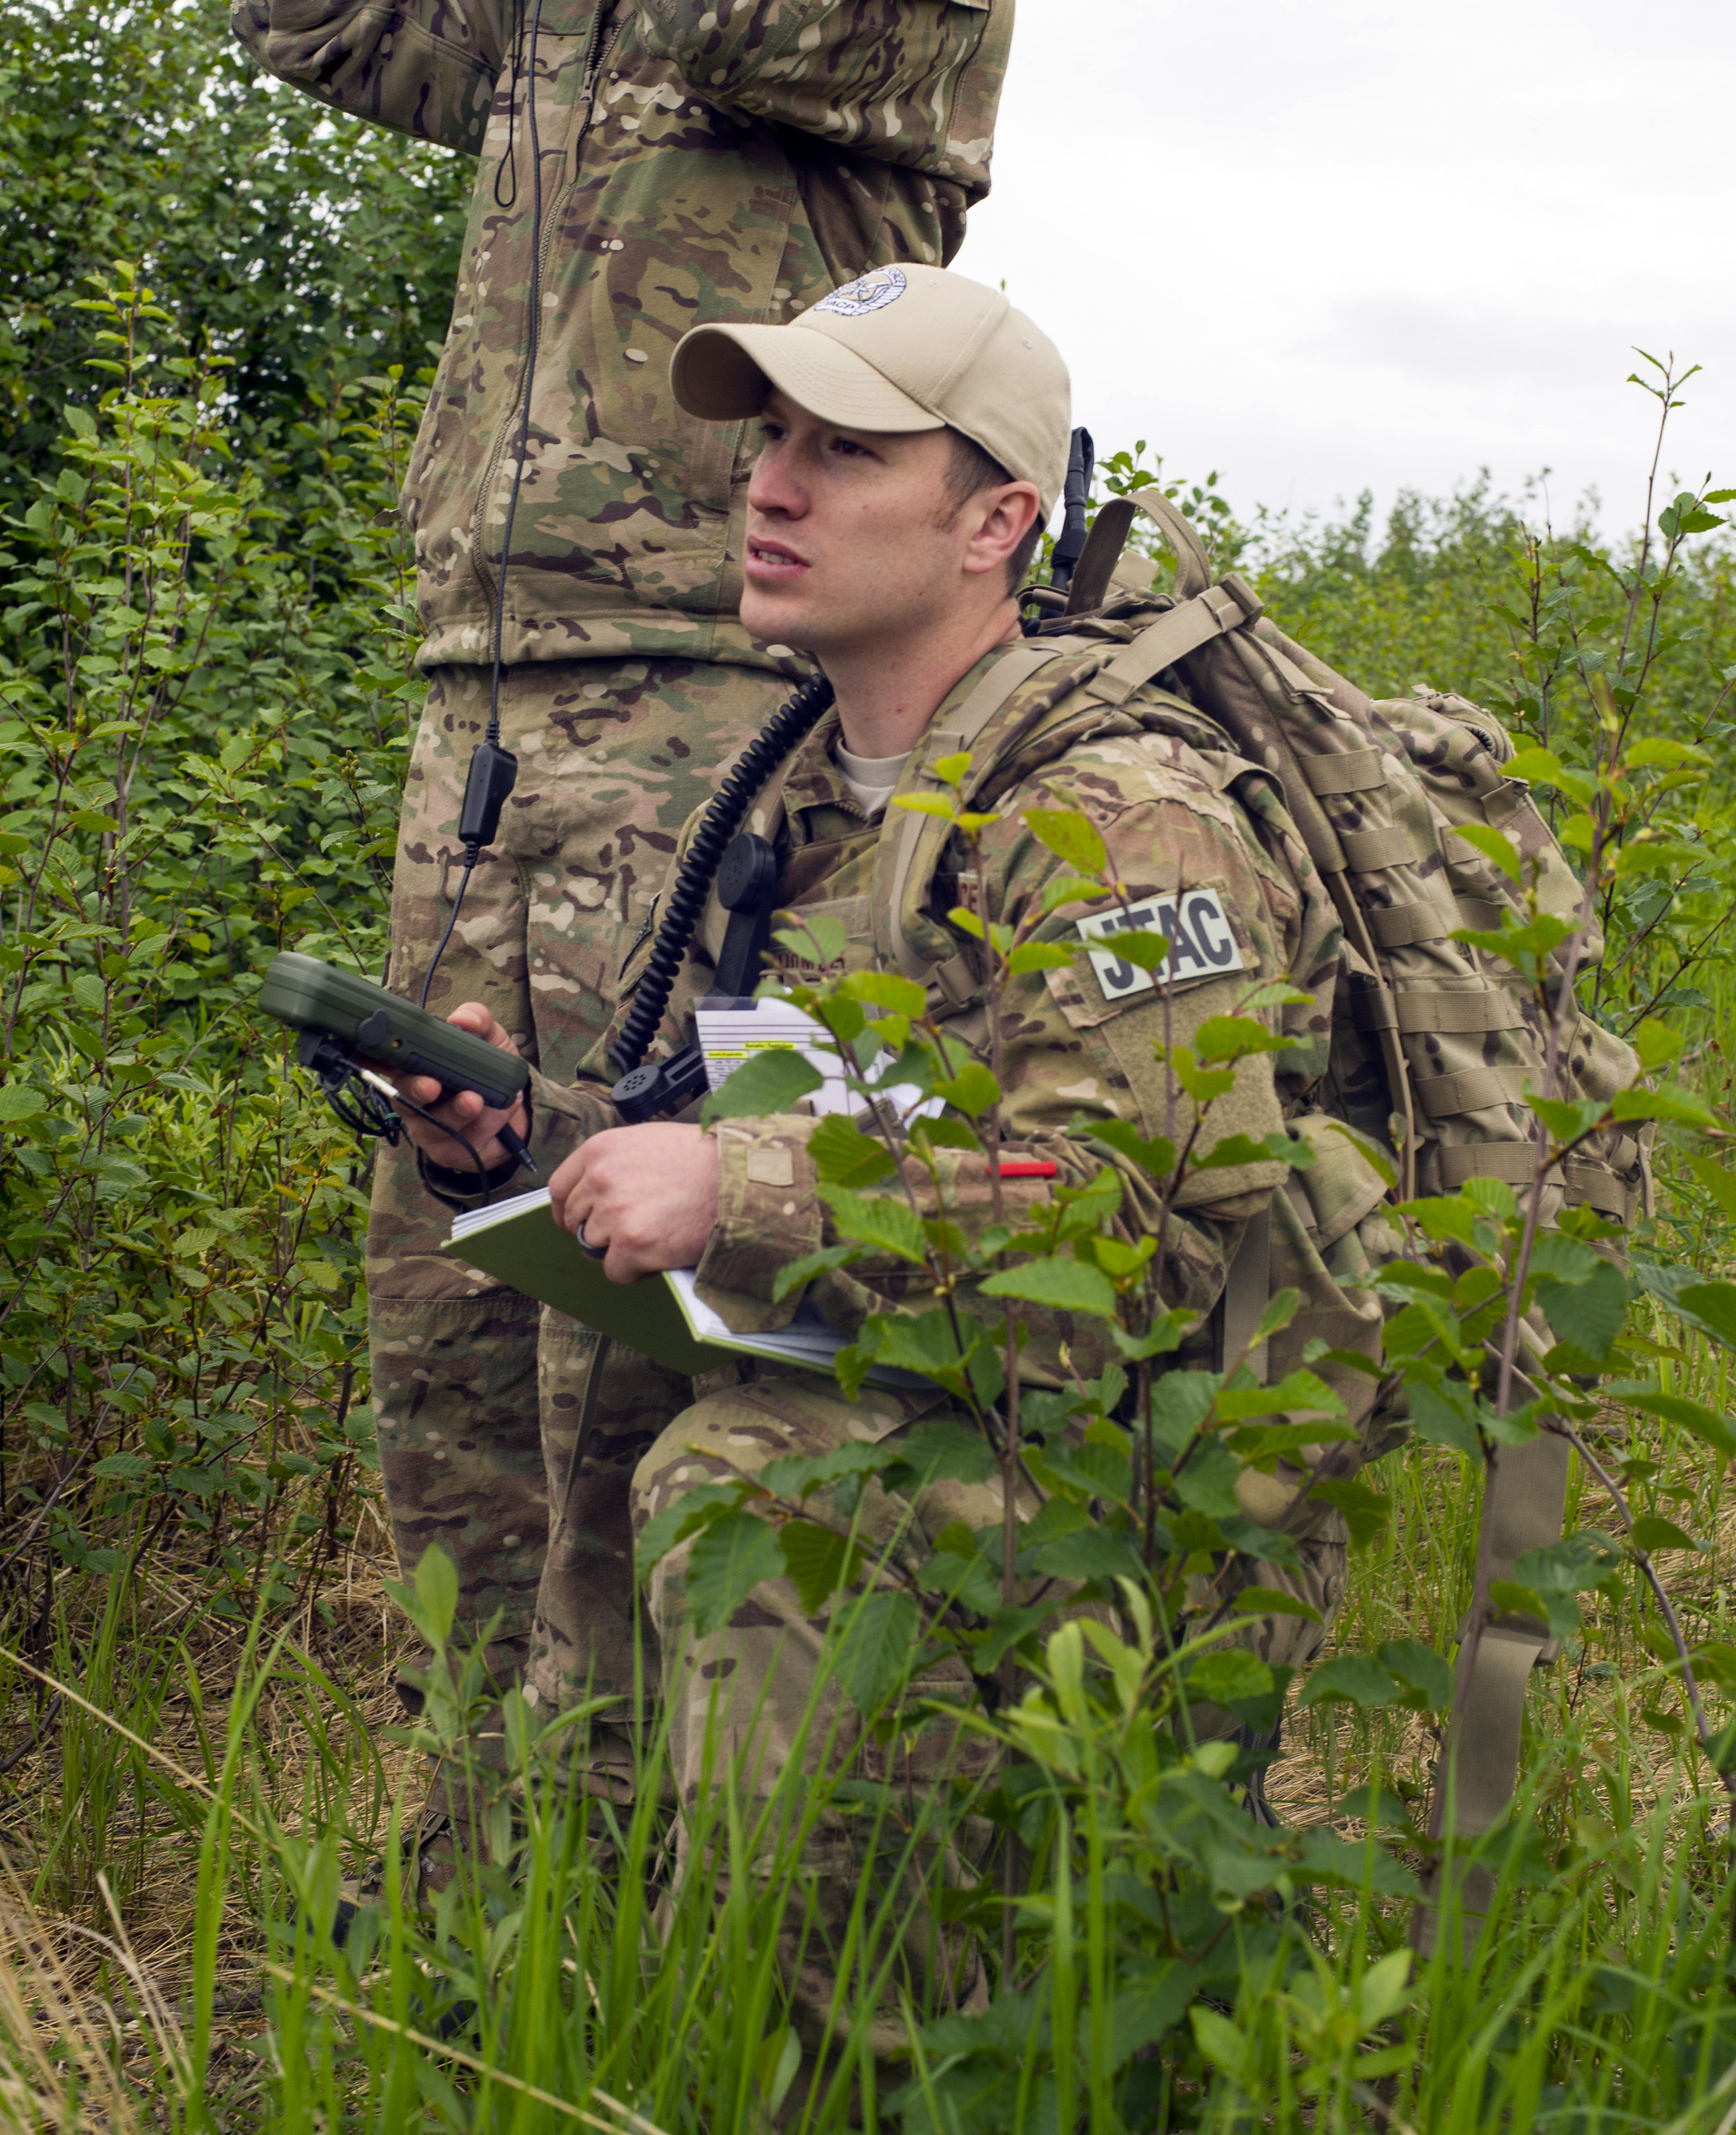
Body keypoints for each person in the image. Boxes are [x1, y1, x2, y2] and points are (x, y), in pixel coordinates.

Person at [397, 262, 1390, 2037]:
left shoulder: (1116, 809)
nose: (770, 485)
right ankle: (674, 1969)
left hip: (1122, 1460)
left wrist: (742, 1196)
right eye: (771, 438)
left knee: (747, 1486)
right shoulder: (798, 790)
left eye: (847, 450)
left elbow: (1125, 1246)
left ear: (996, 520)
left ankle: (874, 2055)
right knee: (627, 1401)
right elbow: (730, 1119)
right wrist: (511, 1154)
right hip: (914, 1375)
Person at [231, 0, 1015, 1721]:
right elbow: (307, 10)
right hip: (481, 720)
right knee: (453, 1302)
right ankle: (492, 1842)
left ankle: (677, 1852)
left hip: (712, 718)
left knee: (643, 1322)